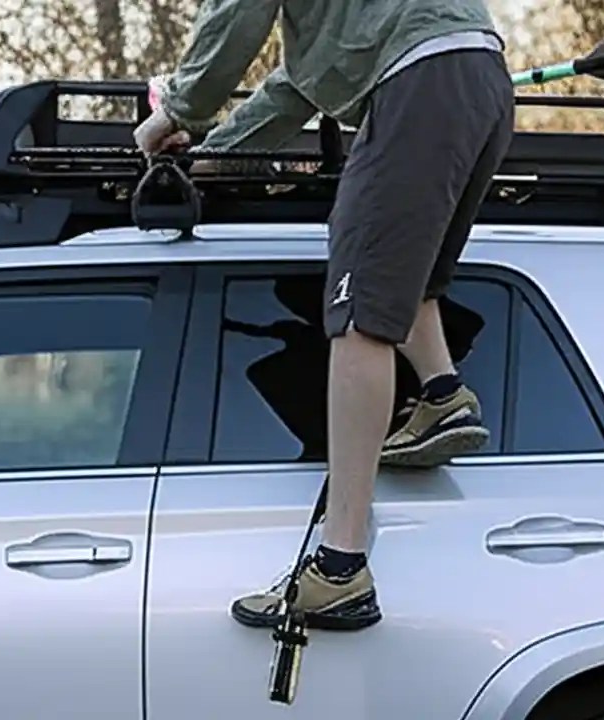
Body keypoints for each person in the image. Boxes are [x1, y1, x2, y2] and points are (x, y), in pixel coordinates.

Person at [133, 0, 516, 631]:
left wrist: (173, 114)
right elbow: (295, 91)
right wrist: (206, 160)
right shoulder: (356, 22)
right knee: (399, 274)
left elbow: (237, 16)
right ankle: (442, 394)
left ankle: (338, 570)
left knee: (361, 311)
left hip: (418, 82)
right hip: (473, 74)